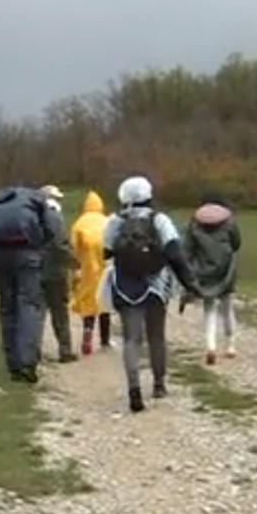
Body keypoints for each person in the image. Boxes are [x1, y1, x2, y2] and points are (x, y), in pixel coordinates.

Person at [102, 175, 201, 413]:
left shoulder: (115, 220)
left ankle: (134, 388)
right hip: (157, 285)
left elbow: (105, 253)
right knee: (156, 335)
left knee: (131, 338)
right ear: (149, 195)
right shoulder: (160, 220)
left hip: (125, 286)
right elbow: (175, 254)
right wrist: (190, 283)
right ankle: (158, 384)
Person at [0, 185, 56, 383]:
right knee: (28, 305)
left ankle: (13, 364)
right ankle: (27, 362)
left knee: (7, 308)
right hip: (27, 253)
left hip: (0, 256)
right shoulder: (36, 199)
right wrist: (39, 248)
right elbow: (51, 229)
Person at [181, 191, 242, 365]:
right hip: (226, 271)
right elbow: (237, 244)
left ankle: (211, 347)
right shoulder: (229, 223)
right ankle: (230, 345)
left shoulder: (194, 224)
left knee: (209, 309)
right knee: (227, 307)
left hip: (203, 272)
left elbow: (187, 250)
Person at [69, 190, 113, 356]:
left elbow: (73, 248)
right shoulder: (107, 221)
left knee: (88, 303)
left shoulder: (79, 224)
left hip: (87, 269)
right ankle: (105, 339)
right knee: (105, 303)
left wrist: (76, 269)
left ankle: (88, 332)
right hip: (105, 269)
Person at [38, 185, 79, 363]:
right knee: (60, 313)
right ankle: (65, 350)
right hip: (54, 272)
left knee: (36, 313)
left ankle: (33, 350)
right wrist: (74, 263)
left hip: (35, 271)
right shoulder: (54, 216)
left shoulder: (33, 217)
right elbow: (59, 245)